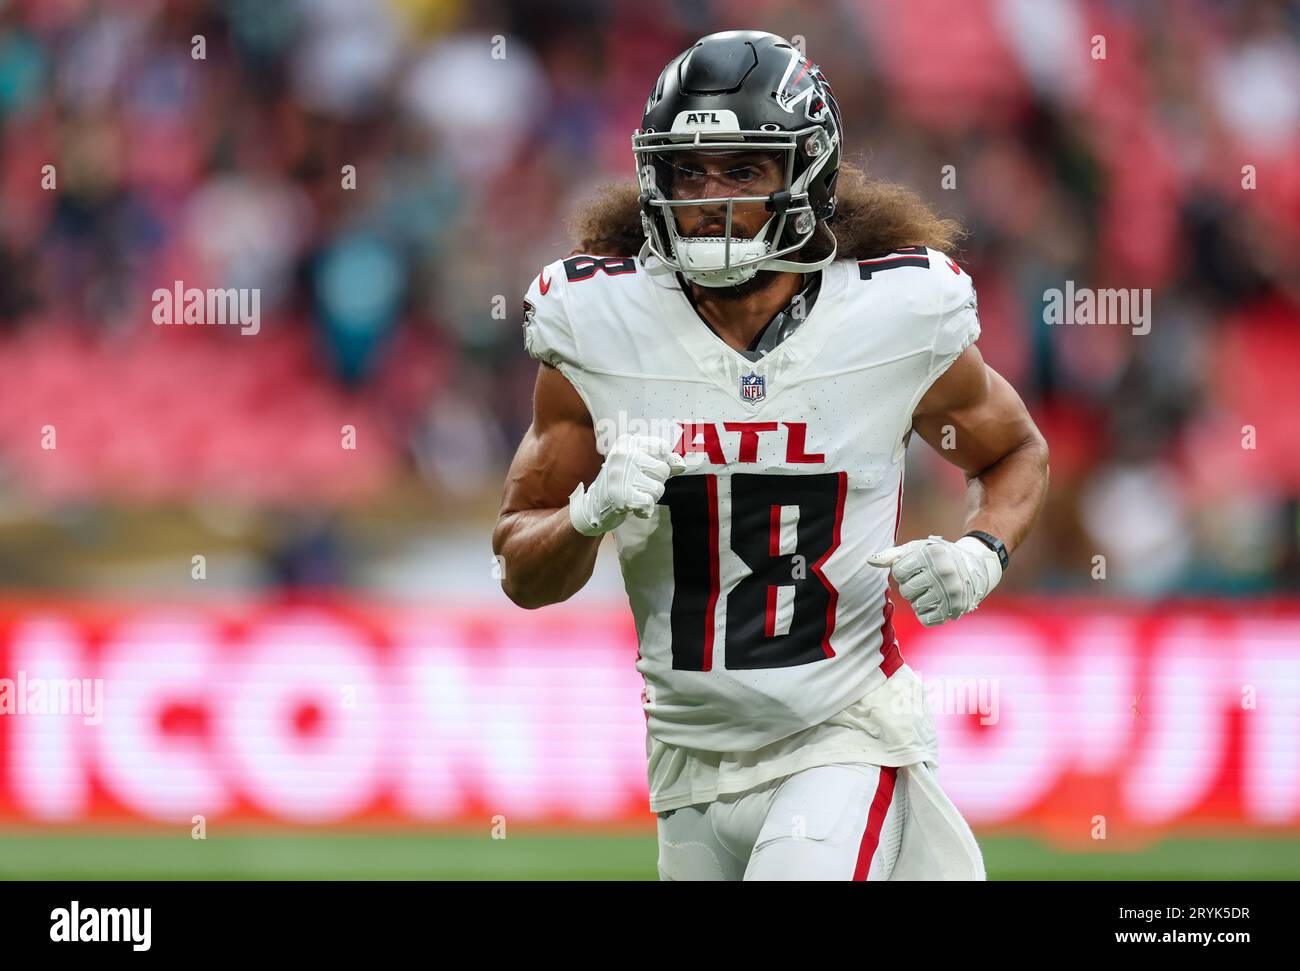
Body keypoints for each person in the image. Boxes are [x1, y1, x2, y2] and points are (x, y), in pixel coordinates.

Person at [492, 30, 1049, 880]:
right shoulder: (598, 327)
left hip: (841, 736)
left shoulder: (894, 314)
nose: (710, 199)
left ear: (805, 176)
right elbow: (523, 573)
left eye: (744, 169)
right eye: (688, 171)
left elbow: (1012, 451)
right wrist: (585, 513)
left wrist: (983, 548)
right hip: (683, 762)